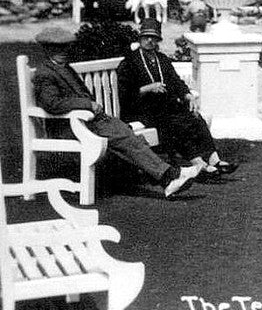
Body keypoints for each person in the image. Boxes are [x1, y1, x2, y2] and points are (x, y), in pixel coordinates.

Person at [32, 26, 201, 199]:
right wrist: (87, 104)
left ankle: (168, 177)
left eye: (65, 47)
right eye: (56, 49)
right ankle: (169, 176)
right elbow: (52, 104)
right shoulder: (45, 73)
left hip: (87, 122)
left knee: (126, 133)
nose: (62, 52)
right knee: (124, 136)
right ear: (47, 49)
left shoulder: (63, 67)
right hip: (70, 127)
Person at [117, 18, 238, 180]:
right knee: (174, 122)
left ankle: (214, 159)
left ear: (158, 40)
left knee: (193, 115)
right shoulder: (130, 62)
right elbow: (125, 94)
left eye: (154, 37)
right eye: (146, 37)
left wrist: (188, 95)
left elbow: (175, 82)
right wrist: (148, 88)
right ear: (140, 38)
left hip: (163, 106)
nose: (150, 41)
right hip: (139, 109)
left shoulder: (161, 59)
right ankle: (198, 163)